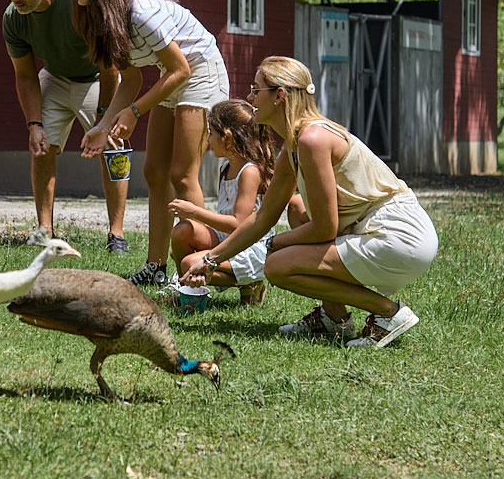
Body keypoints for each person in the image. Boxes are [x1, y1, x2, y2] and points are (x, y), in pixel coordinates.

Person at [182, 56, 438, 348]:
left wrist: (272, 245)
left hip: (399, 237)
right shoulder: (295, 145)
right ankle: (334, 318)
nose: (251, 98)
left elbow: (324, 229)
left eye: (256, 90)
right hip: (388, 231)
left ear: (279, 96)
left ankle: (388, 314)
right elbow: (263, 217)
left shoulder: (312, 139)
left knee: (277, 266)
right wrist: (211, 258)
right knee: (297, 208)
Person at [69, 0, 229, 287]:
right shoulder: (103, 16)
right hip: (171, 75)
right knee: (155, 171)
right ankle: (156, 267)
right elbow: (131, 78)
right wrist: (102, 125)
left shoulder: (139, 12)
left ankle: (201, 268)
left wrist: (135, 112)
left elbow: (182, 69)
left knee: (183, 175)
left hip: (200, 72)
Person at [1, 0, 130, 253]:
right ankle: (44, 230)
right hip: (56, 77)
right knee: (42, 146)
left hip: (98, 77)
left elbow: (110, 65)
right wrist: (34, 124)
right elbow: (25, 75)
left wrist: (103, 118)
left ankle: (117, 234)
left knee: (113, 146)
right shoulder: (13, 18)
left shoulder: (75, 2)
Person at [166, 99, 275, 305]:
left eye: (211, 133)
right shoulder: (225, 167)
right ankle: (190, 292)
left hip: (250, 246)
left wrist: (194, 212)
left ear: (227, 137)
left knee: (189, 261)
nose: (208, 139)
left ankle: (251, 284)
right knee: (183, 230)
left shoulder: (249, 172)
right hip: (228, 239)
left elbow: (239, 225)